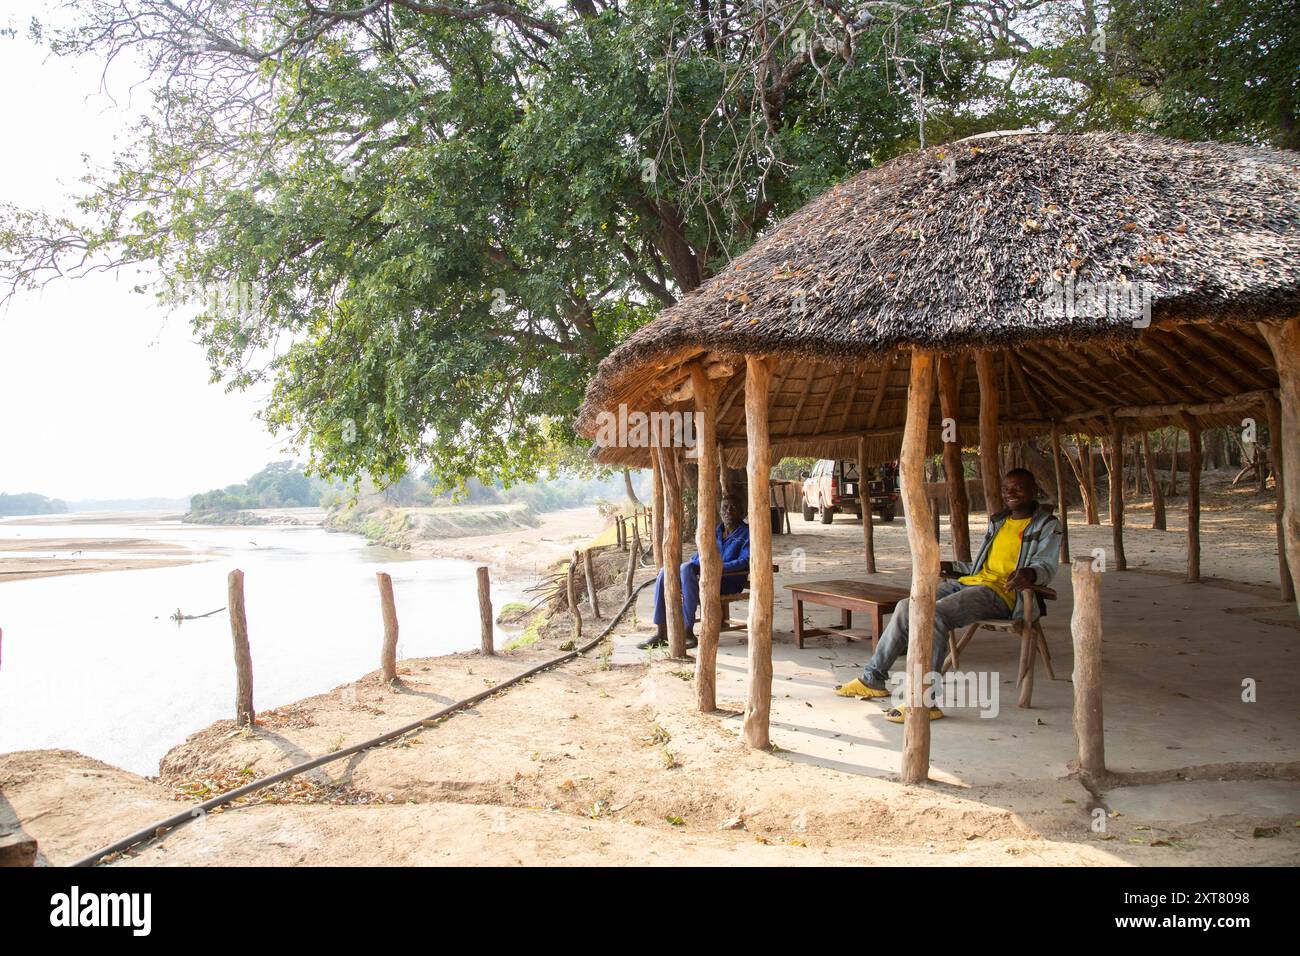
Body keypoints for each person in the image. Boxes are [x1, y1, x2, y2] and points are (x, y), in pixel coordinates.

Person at [834, 468, 1061, 721]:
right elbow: (981, 565)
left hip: (1002, 593)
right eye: (1007, 488)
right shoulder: (999, 521)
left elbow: (1047, 565)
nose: (1010, 493)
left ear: (1033, 491)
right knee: (907, 605)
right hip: (972, 581)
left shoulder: (1047, 525)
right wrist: (948, 566)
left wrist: (1029, 574)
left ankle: (925, 702)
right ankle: (873, 678)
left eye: (1018, 488)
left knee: (936, 615)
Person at [638, 495, 750, 650]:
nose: (728, 511)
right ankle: (661, 632)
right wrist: (699, 565)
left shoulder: (746, 534)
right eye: (725, 507)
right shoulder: (715, 532)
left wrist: (715, 567)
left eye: (733, 508)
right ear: (720, 511)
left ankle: (687, 630)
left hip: (727, 582)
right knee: (666, 571)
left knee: (686, 568)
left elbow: (745, 561)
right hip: (705, 581)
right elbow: (699, 556)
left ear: (742, 511)